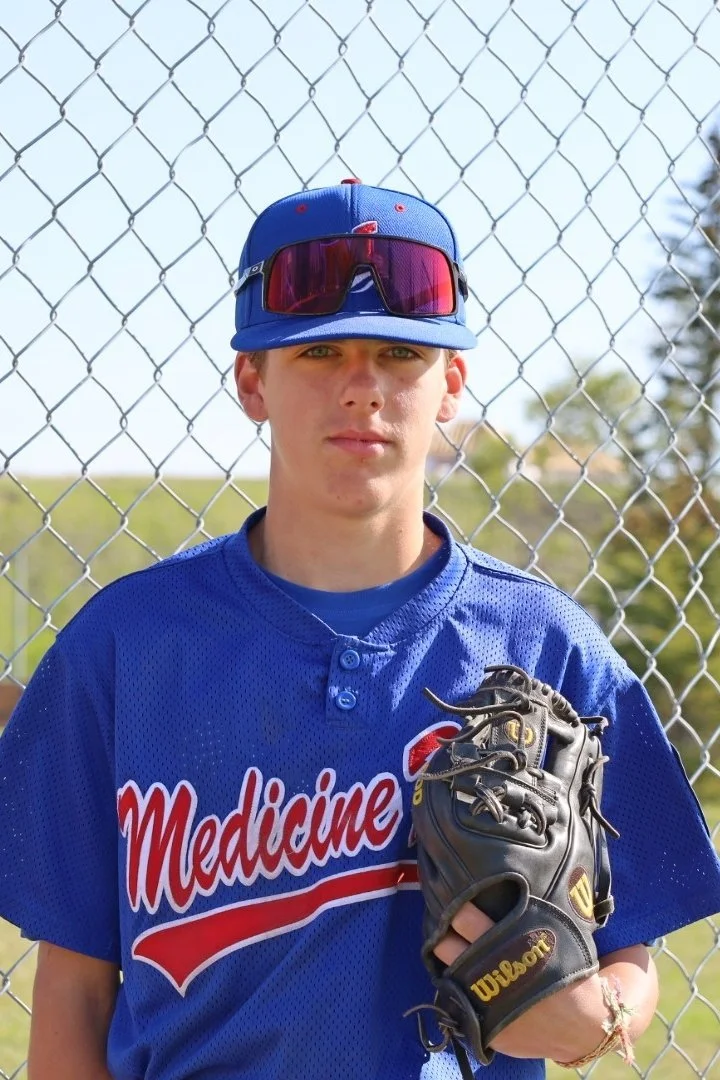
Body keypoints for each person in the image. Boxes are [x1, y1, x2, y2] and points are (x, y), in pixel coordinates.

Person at [0, 178, 718, 1080]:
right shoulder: (125, 648)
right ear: (251, 381)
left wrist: (602, 1016)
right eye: (319, 353)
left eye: (399, 355)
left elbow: (632, 945)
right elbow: (72, 993)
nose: (362, 389)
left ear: (450, 384)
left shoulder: (545, 646)